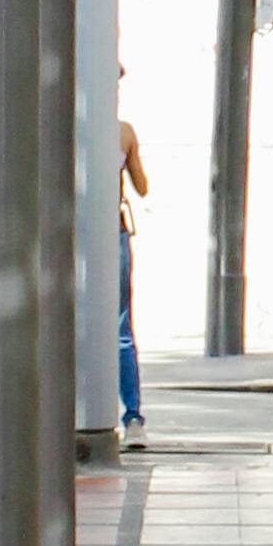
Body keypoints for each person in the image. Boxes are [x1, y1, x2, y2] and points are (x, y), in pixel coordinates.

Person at [117, 110, 149, 434]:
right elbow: (142, 186)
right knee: (121, 329)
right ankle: (132, 416)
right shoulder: (123, 132)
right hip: (114, 231)